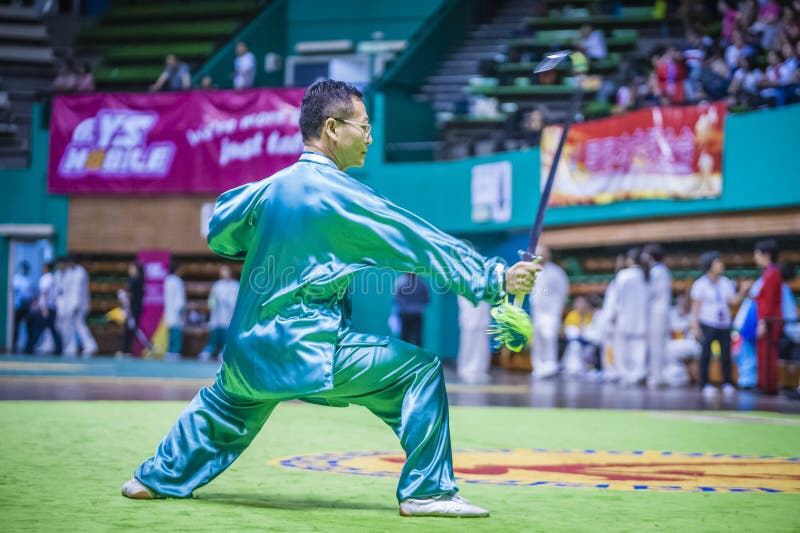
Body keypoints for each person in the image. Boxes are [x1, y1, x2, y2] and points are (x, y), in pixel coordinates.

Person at [120, 80, 541, 518]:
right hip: (308, 350)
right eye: (364, 126)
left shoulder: (268, 188)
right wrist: (496, 278)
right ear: (333, 127)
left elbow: (220, 228)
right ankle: (427, 490)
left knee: (227, 405)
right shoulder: (343, 196)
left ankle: (153, 479)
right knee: (420, 372)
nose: (370, 137)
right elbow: (419, 242)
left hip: (246, 352)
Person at [690, 252, 751, 398]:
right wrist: (695, 327)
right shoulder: (700, 284)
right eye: (718, 262)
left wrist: (742, 292)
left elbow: (733, 301)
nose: (721, 265)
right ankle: (704, 383)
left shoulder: (725, 283)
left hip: (724, 324)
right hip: (707, 323)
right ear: (710, 265)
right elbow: (696, 308)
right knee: (706, 354)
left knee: (726, 355)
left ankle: (727, 382)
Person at [608, 248, 649, 386]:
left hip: (624, 318)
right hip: (642, 319)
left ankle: (625, 374)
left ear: (630, 260)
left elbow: (616, 298)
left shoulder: (624, 275)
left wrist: (612, 316)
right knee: (638, 348)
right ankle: (638, 374)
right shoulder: (646, 276)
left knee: (622, 349)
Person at [529, 244, 569, 380]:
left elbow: (563, 292)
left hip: (551, 313)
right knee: (538, 340)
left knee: (549, 339)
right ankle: (538, 367)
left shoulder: (556, 272)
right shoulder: (534, 271)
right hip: (537, 312)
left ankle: (550, 366)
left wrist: (557, 310)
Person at [753, 238, 783, 394]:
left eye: (757, 254)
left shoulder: (773, 274)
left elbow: (769, 302)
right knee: (763, 353)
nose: (755, 258)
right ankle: (764, 384)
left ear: (767, 255)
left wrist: (763, 322)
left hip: (770, 321)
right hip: (767, 319)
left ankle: (768, 386)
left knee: (768, 354)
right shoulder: (769, 273)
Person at [642, 244, 672, 389]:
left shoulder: (655, 272)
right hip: (662, 313)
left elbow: (649, 293)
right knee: (660, 346)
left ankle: (656, 376)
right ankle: (658, 374)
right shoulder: (664, 270)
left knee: (656, 346)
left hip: (656, 314)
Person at [199, 265, 239, 362]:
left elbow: (236, 301)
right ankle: (208, 352)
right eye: (222, 271)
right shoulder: (217, 285)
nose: (224, 273)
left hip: (229, 317)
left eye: (226, 271)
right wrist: (212, 304)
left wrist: (226, 303)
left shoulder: (235, 285)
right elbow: (211, 300)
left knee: (226, 337)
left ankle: (223, 353)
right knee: (214, 337)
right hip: (216, 317)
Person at [26, 262, 62, 355]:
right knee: (52, 329)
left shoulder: (46, 278)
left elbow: (44, 293)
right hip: (52, 307)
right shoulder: (53, 278)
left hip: (46, 308)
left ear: (46, 268)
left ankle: (30, 348)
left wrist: (44, 308)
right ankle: (58, 348)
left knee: (38, 329)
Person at [456, 295, 492, 384]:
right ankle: (468, 368)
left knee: (483, 328)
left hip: (484, 297)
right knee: (471, 327)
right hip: (469, 293)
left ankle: (480, 368)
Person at [68, 256, 98, 357]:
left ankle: (90, 345)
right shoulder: (73, 272)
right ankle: (72, 346)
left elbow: (77, 292)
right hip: (75, 304)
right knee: (74, 326)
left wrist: (75, 305)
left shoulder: (80, 273)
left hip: (78, 305)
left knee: (80, 325)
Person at [561, 295, 596, 377]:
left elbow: (591, 332)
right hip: (575, 342)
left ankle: (588, 368)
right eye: (578, 303)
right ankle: (572, 368)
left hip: (587, 343)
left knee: (590, 348)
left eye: (582, 303)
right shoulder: (572, 315)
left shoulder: (589, 315)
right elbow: (568, 331)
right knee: (575, 345)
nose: (580, 305)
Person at [394, 272, 429, 346]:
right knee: (417, 338)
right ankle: (419, 357)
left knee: (405, 339)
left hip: (406, 314)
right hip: (416, 314)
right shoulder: (421, 283)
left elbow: (396, 299)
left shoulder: (400, 281)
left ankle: (404, 356)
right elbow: (426, 300)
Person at [163, 261, 185, 361]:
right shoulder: (178, 281)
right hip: (176, 312)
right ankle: (175, 352)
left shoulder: (167, 280)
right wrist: (181, 312)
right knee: (176, 333)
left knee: (171, 333)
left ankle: (170, 351)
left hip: (169, 311)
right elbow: (180, 300)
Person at [122, 262, 144, 356]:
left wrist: (123, 296)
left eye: (131, 268)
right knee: (130, 329)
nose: (130, 270)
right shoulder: (141, 280)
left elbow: (130, 295)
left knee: (129, 330)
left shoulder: (134, 280)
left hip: (132, 309)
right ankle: (127, 350)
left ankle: (126, 350)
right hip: (136, 309)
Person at [12, 260, 34, 352]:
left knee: (29, 326)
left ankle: (29, 347)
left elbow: (31, 294)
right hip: (18, 305)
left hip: (26, 306)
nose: (24, 270)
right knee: (15, 326)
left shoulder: (29, 280)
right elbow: (16, 291)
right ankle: (14, 344)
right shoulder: (16, 278)